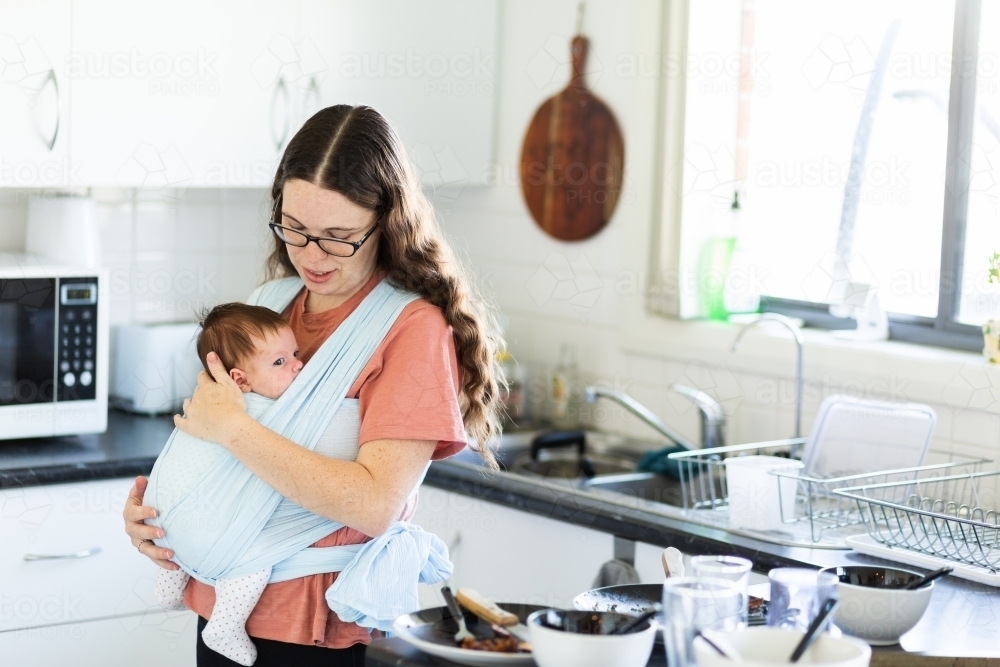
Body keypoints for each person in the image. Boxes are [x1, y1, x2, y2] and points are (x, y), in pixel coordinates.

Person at [122, 104, 503, 667]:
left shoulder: (410, 330)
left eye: (338, 236)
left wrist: (233, 430)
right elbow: (206, 441)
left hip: (310, 630)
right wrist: (159, 515)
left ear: (386, 221)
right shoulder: (270, 305)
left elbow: (374, 504)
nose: (312, 255)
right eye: (295, 229)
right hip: (217, 608)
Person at [149, 303, 305, 665]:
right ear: (238, 380)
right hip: (213, 529)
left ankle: (170, 582)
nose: (298, 364)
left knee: (176, 534)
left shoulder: (210, 400)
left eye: (295, 354)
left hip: (168, 518)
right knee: (254, 560)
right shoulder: (263, 412)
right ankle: (225, 624)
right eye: (280, 362)